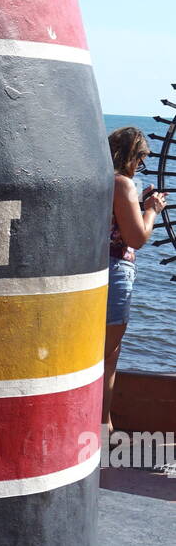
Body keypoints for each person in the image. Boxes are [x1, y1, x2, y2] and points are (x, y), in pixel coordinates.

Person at [103, 126, 167, 428]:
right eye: (139, 160)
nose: (139, 166)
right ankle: (103, 426)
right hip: (115, 272)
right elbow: (136, 237)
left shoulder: (98, 181)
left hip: (92, 270)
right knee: (108, 357)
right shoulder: (122, 184)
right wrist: (152, 210)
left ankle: (102, 423)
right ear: (131, 156)